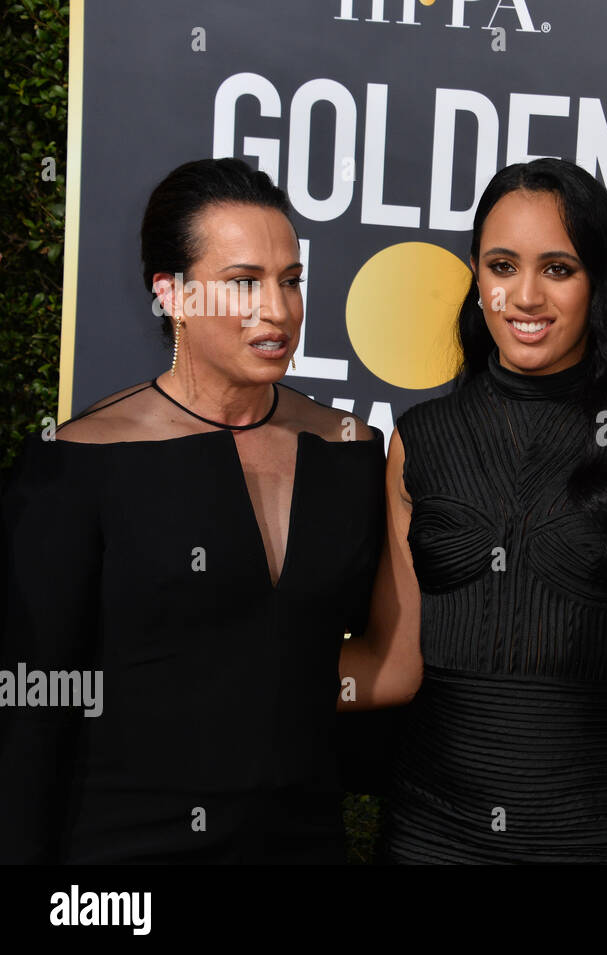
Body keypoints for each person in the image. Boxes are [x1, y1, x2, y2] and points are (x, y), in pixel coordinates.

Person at [339, 157, 607, 864]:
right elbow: (393, 664)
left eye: (558, 268)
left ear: (599, 281)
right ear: (476, 277)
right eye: (500, 265)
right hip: (433, 835)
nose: (524, 296)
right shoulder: (417, 439)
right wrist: (229, 677)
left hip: (602, 834)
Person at [0, 158, 385, 863]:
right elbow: (29, 715)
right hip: (123, 860)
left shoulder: (350, 449)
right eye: (243, 283)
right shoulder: (78, 462)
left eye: (291, 279)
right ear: (172, 295)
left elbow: (380, 654)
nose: (278, 309)